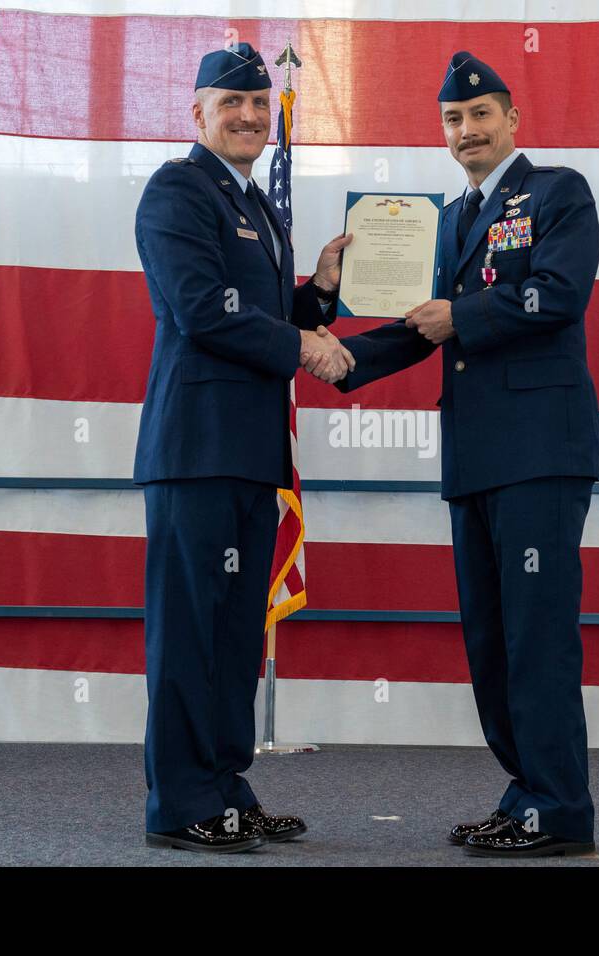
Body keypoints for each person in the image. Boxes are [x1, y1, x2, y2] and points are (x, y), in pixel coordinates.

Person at [327, 51, 599, 858]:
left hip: (539, 451)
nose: (467, 130)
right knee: (491, 639)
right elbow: (422, 321)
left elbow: (558, 292)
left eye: (481, 115)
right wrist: (340, 354)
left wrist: (467, 316)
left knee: (537, 636)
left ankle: (559, 811)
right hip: (475, 456)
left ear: (512, 119)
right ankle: (527, 797)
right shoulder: (445, 218)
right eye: (453, 118)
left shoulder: (558, 191)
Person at [133, 42, 355, 853]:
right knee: (190, 631)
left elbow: (257, 308)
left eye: (260, 103)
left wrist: (319, 292)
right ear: (198, 112)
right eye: (233, 103)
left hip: (249, 451)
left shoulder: (258, 206)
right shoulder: (176, 192)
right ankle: (181, 801)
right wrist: (305, 347)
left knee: (233, 632)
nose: (251, 116)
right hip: (194, 451)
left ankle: (225, 785)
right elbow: (204, 310)